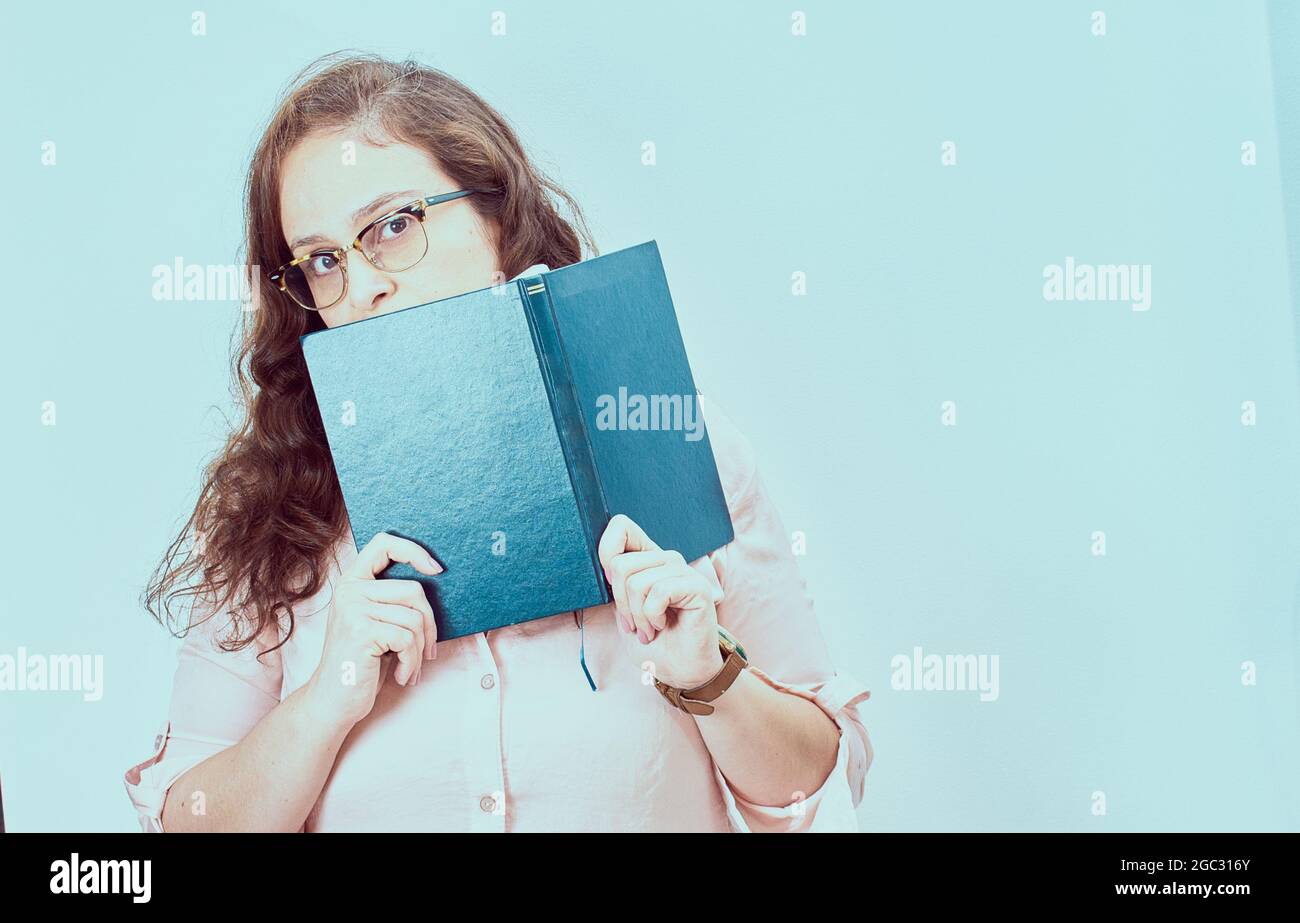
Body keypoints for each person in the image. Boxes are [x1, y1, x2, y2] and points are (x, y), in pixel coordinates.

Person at [125, 52, 872, 833]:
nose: (362, 286)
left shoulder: (677, 442)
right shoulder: (271, 511)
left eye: (393, 224)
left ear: (495, 213)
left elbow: (818, 785)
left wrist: (709, 675)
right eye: (321, 260)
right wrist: (325, 701)